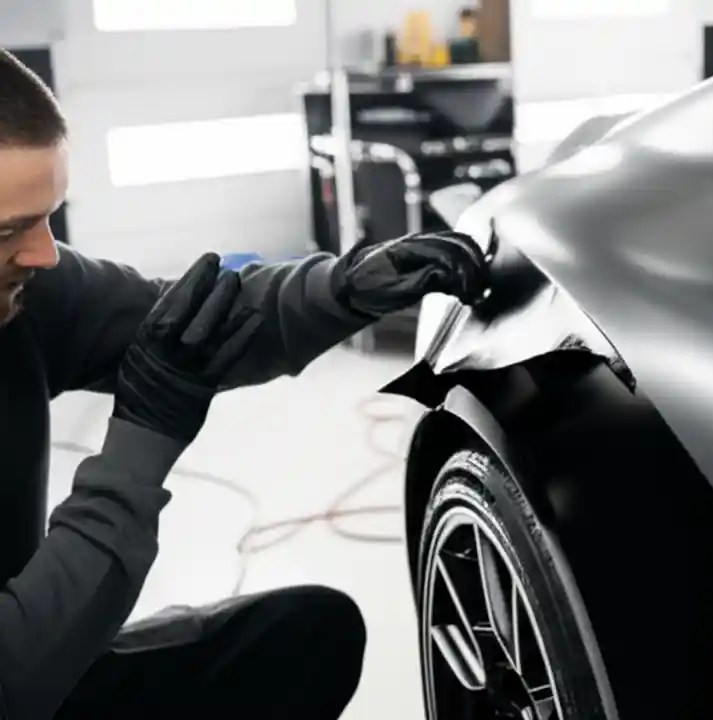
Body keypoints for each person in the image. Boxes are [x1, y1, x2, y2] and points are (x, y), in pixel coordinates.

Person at [0, 49, 488, 718]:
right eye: (9, 231)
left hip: (48, 659)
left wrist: (341, 289)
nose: (44, 254)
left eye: (48, 217)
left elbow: (184, 324)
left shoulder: (28, 293)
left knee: (308, 636)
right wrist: (142, 442)